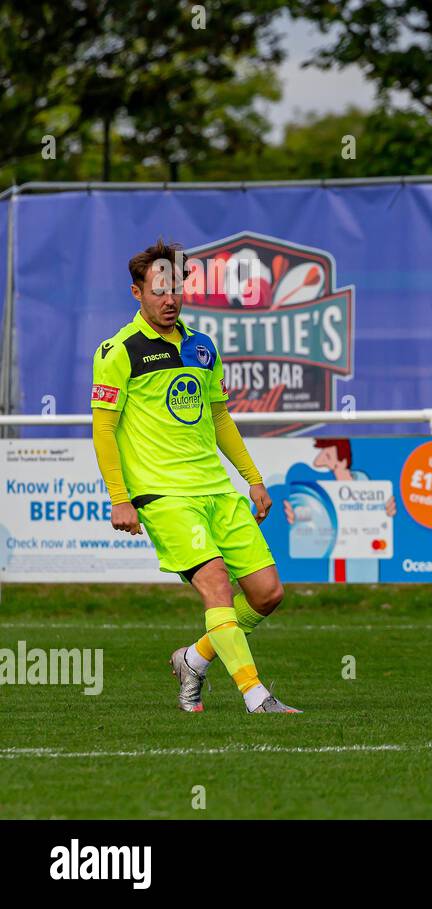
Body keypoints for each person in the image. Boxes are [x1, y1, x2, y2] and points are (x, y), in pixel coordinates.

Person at [92, 238, 297, 714]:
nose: (169, 298)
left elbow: (221, 418)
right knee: (216, 583)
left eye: (176, 288)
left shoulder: (202, 347)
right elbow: (103, 429)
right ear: (137, 292)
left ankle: (193, 659)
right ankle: (255, 694)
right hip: (163, 495)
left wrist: (253, 477)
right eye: (158, 289)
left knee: (268, 594)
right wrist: (120, 498)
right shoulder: (118, 351)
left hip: (216, 490)